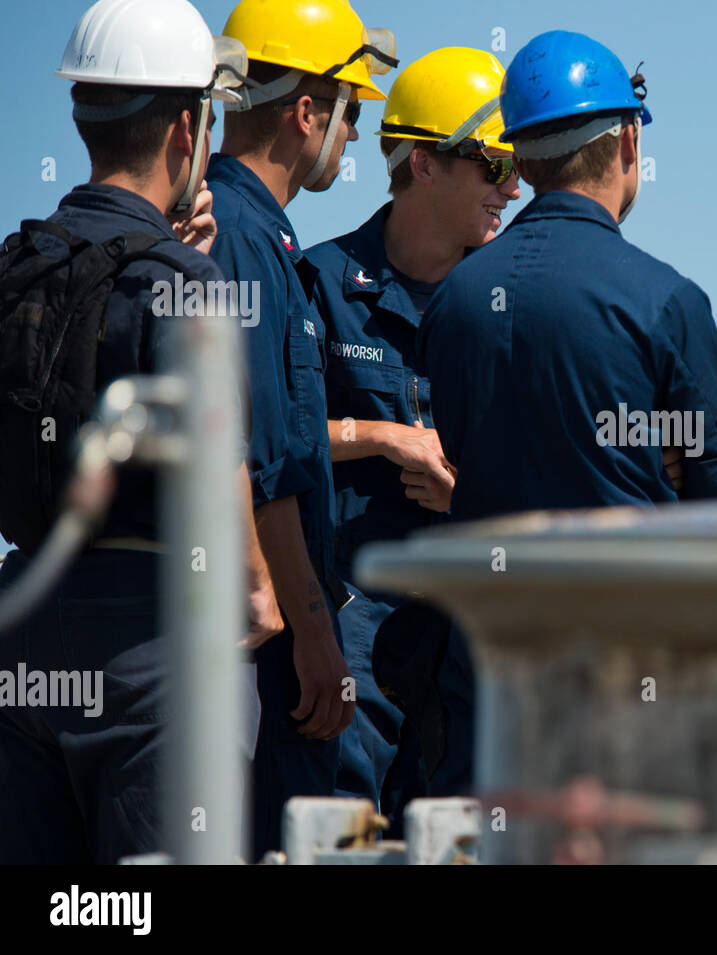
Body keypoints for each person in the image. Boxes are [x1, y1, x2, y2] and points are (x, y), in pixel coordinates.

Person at [0, 0, 274, 863]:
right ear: (186, 131)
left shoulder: (16, 269)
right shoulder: (184, 281)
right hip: (153, 647)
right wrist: (260, 587)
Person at [415, 30, 717, 523]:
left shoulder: (455, 295)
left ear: (522, 161)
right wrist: (648, 437)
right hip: (624, 594)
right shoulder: (664, 300)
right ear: (628, 138)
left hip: (486, 596)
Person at [305, 47, 520, 819]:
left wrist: (471, 491)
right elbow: (267, 434)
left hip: (474, 633)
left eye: (520, 164)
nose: (514, 186)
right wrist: (384, 437)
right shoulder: (320, 285)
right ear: (424, 164)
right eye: (495, 163)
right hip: (350, 628)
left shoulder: (511, 304)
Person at [208, 0, 396, 856]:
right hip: (269, 643)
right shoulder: (242, 237)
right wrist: (315, 627)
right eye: (350, 110)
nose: (354, 135)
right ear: (306, 112)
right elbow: (257, 460)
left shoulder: (246, 230)